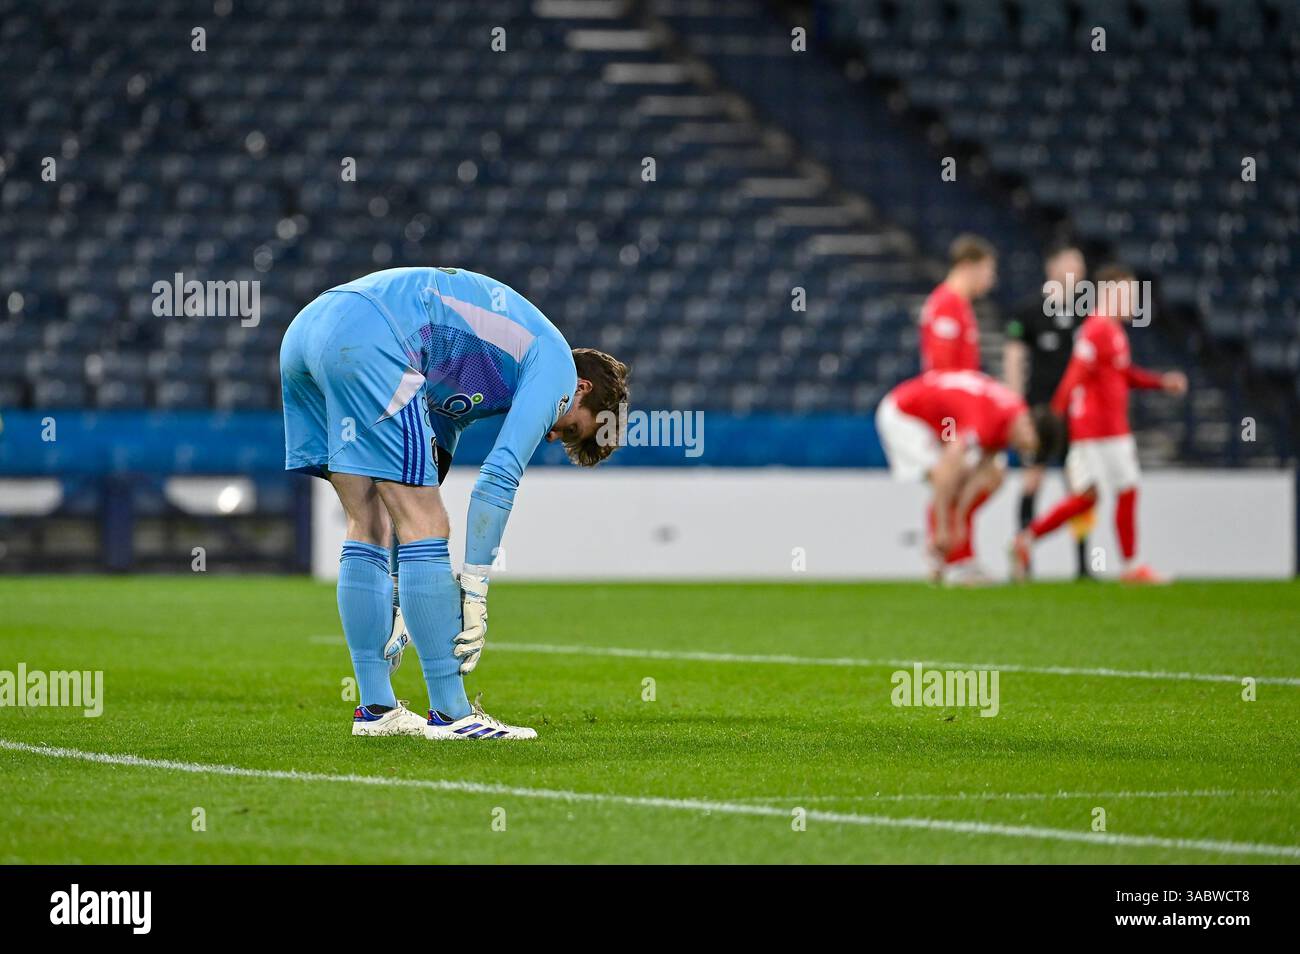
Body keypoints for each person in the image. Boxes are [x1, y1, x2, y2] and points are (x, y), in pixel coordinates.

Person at [280, 266, 629, 739]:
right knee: (428, 524)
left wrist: (403, 586)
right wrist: (476, 589)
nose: (552, 432)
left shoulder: (490, 370)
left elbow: (432, 458)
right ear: (582, 389)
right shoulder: (556, 367)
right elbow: (499, 476)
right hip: (372, 335)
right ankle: (451, 714)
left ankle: (376, 709)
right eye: (570, 427)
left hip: (310, 330)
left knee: (371, 520)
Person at [1011, 265, 1187, 583]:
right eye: (1128, 295)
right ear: (1109, 293)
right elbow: (1075, 374)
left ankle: (1026, 540)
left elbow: (1123, 373)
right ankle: (1131, 567)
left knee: (1088, 497)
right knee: (1126, 490)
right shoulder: (1098, 330)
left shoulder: (1111, 330)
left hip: (1104, 429)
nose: (1134, 302)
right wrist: (1055, 414)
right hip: (1100, 430)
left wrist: (1161, 383)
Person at [876, 369, 1038, 584]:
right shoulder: (987, 420)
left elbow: (983, 471)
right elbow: (947, 469)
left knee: (994, 474)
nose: (1019, 450)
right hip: (906, 414)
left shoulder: (1011, 412)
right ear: (1029, 427)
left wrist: (961, 517)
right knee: (948, 475)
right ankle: (950, 557)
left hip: (943, 420)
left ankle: (955, 557)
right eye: (1024, 447)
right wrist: (944, 525)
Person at [1002, 242, 1094, 579]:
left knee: (1080, 489)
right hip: (1040, 414)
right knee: (1032, 481)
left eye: (1081, 267)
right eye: (1072, 266)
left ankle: (1084, 564)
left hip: (1075, 415)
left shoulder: (1087, 313)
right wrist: (1016, 407)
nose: (1078, 273)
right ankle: (1024, 559)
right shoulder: (1028, 312)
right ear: (1052, 269)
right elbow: (1014, 357)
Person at [919, 233, 997, 373]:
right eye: (987, 269)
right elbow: (942, 366)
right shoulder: (947, 303)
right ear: (968, 267)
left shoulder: (960, 303)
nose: (991, 278)